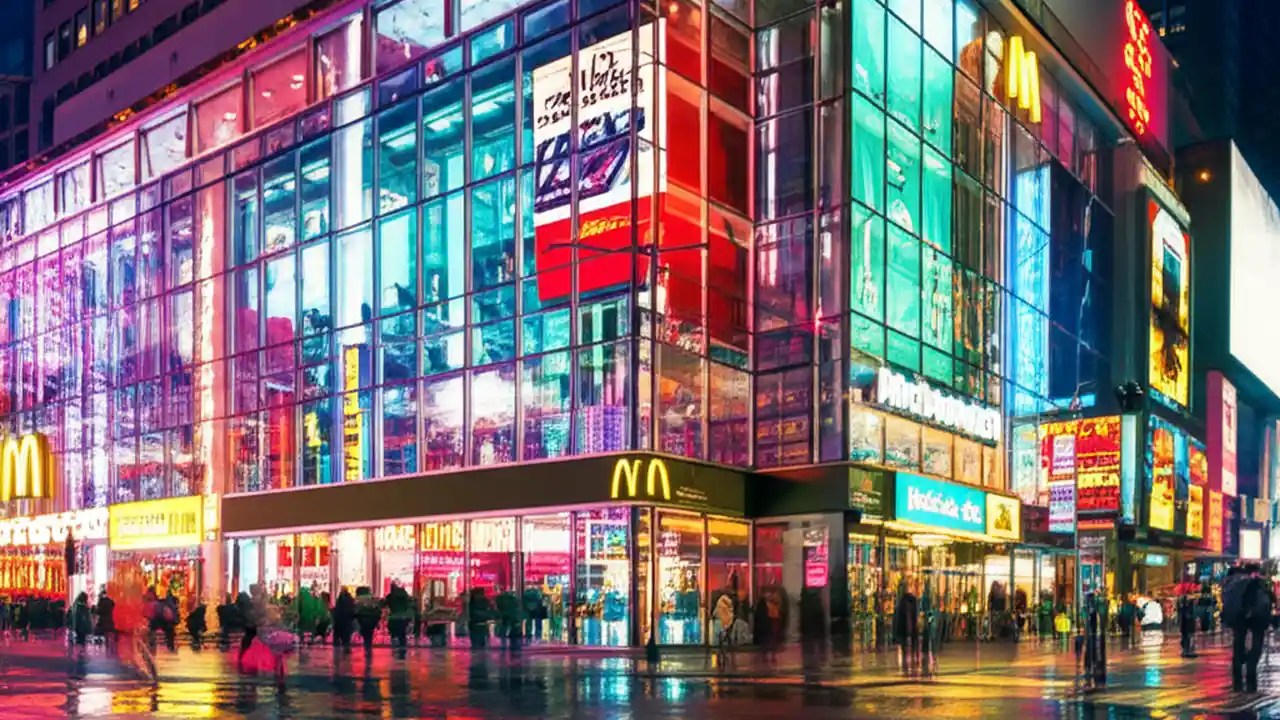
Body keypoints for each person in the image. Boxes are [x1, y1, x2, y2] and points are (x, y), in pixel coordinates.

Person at [1225, 563, 1275, 692]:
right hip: (1257, 618)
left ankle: (1238, 678)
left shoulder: (1232, 584)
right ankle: (1250, 672)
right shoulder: (1257, 583)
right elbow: (1270, 598)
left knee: (1238, 643)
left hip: (1237, 618)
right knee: (1256, 645)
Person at [892, 581, 919, 673]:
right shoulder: (904, 601)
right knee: (907, 647)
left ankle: (909, 663)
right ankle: (909, 663)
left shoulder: (903, 601)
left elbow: (898, 618)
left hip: (907, 627)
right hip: (907, 627)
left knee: (908, 647)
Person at [385, 582, 411, 655]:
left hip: (393, 618)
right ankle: (402, 652)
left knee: (394, 634)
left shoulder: (390, 596)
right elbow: (407, 606)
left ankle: (395, 650)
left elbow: (384, 604)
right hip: (403, 617)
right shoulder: (404, 596)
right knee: (402, 635)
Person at [355, 586, 381, 656]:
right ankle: (368, 648)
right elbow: (378, 609)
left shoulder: (358, 599)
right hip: (372, 619)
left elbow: (356, 610)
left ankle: (367, 648)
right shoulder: (373, 598)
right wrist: (377, 620)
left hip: (363, 618)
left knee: (366, 635)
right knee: (369, 634)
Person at [332, 589, 356, 654]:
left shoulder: (339, 600)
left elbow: (336, 610)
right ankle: (346, 647)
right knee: (346, 635)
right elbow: (352, 610)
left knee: (338, 635)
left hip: (339, 620)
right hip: (347, 620)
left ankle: (337, 650)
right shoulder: (350, 600)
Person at [1177, 590, 1197, 658]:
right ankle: (1187, 651)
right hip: (1188, 623)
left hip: (1186, 623)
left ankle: (1187, 651)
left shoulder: (1185, 603)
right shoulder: (1187, 603)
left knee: (1187, 637)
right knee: (1188, 637)